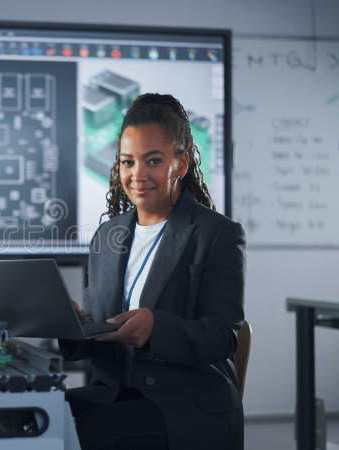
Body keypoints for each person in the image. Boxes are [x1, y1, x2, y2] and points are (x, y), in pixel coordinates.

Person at [60, 93, 245, 450]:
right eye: (128, 162)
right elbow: (101, 329)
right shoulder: (107, 235)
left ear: (181, 163)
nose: (138, 175)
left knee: (70, 435)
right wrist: (72, 326)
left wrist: (155, 329)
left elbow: (222, 337)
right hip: (112, 393)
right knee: (35, 417)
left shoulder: (216, 234)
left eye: (154, 161)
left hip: (185, 406)